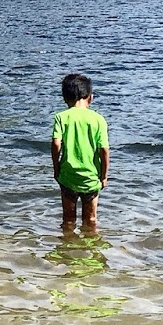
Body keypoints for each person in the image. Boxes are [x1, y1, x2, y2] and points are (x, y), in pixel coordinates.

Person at [50, 72, 109, 228]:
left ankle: (66, 248)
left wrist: (56, 169)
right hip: (90, 177)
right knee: (90, 220)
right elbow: (104, 150)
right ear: (90, 97)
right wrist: (104, 176)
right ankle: (91, 249)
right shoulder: (98, 119)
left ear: (64, 98)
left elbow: (56, 144)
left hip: (68, 176)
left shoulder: (61, 117)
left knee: (68, 220)